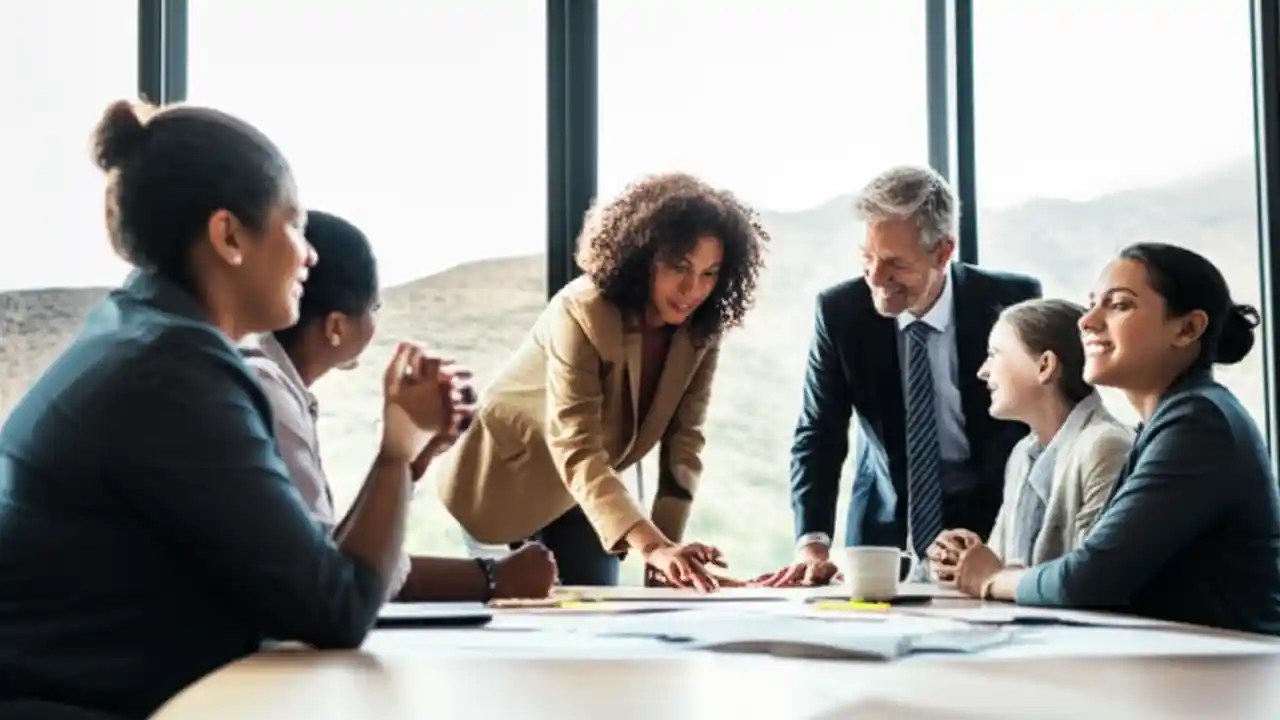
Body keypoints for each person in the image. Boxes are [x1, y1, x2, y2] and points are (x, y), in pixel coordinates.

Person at [0, 100, 459, 719]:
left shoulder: (138, 336)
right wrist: (396, 448)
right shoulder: (175, 373)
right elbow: (339, 609)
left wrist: (399, 452)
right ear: (229, 236)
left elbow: (315, 580)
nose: (309, 254)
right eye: (293, 226)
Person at [436, 172, 768, 590]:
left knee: (594, 614)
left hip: (589, 489)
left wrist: (665, 549)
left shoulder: (701, 330)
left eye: (709, 273)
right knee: (521, 622)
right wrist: (652, 546)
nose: (692, 289)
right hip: (506, 479)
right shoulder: (582, 310)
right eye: (679, 266)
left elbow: (685, 442)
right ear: (645, 256)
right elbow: (575, 444)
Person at [946, 243, 1280, 636]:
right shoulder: (1177, 418)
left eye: (1118, 305)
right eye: (1091, 304)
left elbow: (1087, 578)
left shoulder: (1198, 423)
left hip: (1225, 674)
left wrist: (992, 579)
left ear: (1187, 329)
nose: (1087, 321)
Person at [242, 209, 557, 602]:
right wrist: (492, 579)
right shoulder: (269, 394)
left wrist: (411, 463)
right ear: (336, 327)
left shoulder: (275, 386)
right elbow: (335, 581)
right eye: (374, 308)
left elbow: (338, 556)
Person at [761, 164, 1041, 588]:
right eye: (867, 258)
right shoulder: (841, 313)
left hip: (995, 524)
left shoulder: (1011, 302)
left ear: (943, 252)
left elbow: (1041, 422)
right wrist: (812, 543)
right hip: (883, 531)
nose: (875, 278)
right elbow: (819, 434)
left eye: (894, 263)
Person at [927, 299, 1131, 581]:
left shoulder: (1106, 447)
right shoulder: (1023, 453)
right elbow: (1005, 569)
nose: (982, 371)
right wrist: (966, 558)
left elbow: (1092, 577)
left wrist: (991, 575)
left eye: (994, 355)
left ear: (1045, 365)